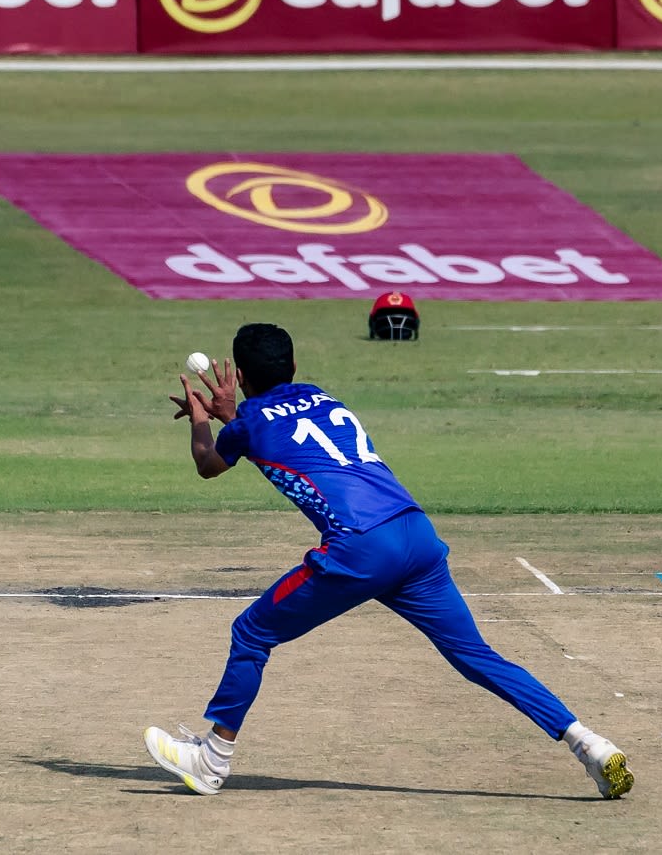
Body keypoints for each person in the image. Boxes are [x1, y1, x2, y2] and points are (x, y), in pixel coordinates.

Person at [145, 323, 633, 798]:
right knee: (477, 657)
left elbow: (210, 464)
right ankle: (589, 744)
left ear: (244, 378)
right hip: (415, 535)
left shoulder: (247, 424)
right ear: (293, 365)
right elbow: (283, 432)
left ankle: (210, 761)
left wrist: (203, 418)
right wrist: (238, 412)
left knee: (252, 632)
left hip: (360, 547)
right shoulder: (323, 397)